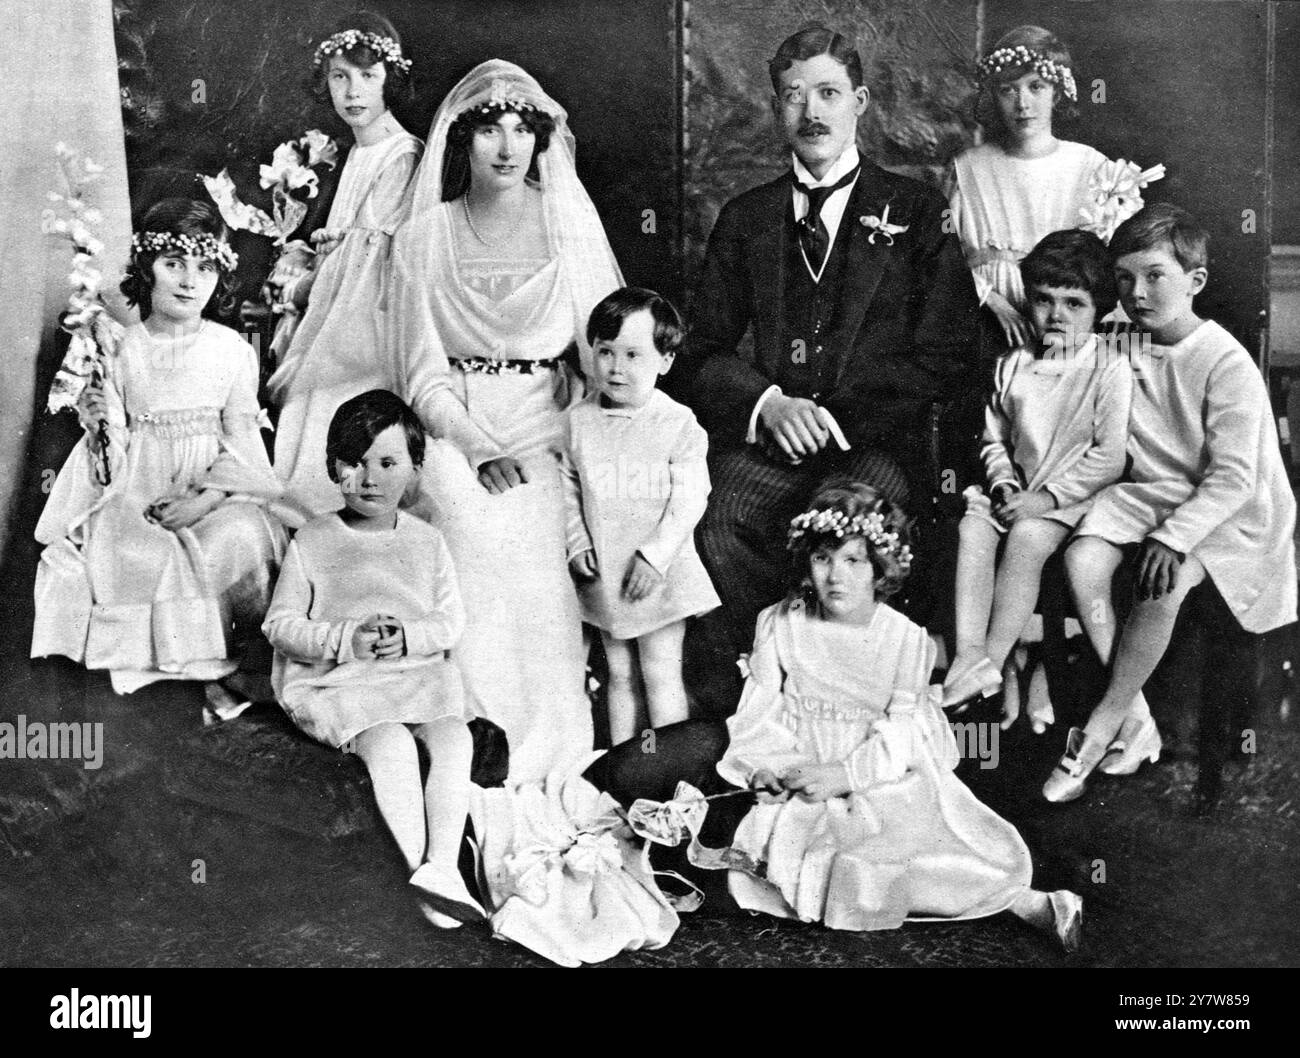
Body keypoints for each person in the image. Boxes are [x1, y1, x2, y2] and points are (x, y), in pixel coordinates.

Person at [680, 24, 980, 696]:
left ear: (861, 101)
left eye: (828, 93)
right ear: (777, 107)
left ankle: (845, 698)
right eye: (793, 96)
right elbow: (699, 352)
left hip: (874, 442)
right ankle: (770, 687)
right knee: (717, 517)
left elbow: (947, 352)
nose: (812, 112)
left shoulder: (914, 209)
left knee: (838, 523)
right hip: (775, 440)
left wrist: (834, 416)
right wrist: (769, 405)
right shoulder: (745, 218)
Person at [714, 482, 1081, 947]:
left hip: (878, 776)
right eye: (822, 559)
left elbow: (902, 734)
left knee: (892, 856)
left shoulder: (904, 639)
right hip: (803, 770)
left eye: (853, 561)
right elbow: (761, 707)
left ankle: (1027, 902)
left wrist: (845, 773)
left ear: (879, 567)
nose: (834, 577)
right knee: (782, 855)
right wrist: (768, 765)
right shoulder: (781, 620)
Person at [390, 60, 622, 782]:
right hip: (455, 424)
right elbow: (420, 373)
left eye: (523, 129)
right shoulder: (426, 235)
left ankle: (548, 756)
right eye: (489, 127)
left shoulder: (568, 228)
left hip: (548, 423)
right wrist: (474, 443)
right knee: (462, 515)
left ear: (541, 139)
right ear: (463, 138)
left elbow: (602, 357)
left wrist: (577, 443)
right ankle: (474, 745)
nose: (506, 145)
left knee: (535, 522)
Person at [1048, 204, 1298, 802]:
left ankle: (1100, 727)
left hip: (1231, 509)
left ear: (1195, 282)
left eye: (1155, 275)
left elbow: (1235, 476)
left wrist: (1173, 537)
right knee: (1083, 558)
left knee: (1164, 579)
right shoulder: (1123, 341)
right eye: (1126, 278)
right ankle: (1135, 719)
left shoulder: (1225, 361)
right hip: (1152, 492)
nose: (1137, 292)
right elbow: (1058, 353)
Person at [31, 198, 286, 703]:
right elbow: (112, 450)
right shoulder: (122, 347)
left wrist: (203, 501)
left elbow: (242, 444)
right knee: (140, 552)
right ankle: (177, 673)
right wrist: (99, 417)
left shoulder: (232, 349)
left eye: (205, 267)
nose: (190, 281)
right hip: (138, 487)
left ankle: (225, 662)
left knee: (244, 533)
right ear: (147, 269)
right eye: (174, 265)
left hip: (213, 487)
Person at [262, 390, 483, 928]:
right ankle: (422, 875)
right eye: (354, 462)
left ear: (413, 469)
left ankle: (441, 868)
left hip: (411, 673)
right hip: (337, 682)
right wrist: (343, 639)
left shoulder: (428, 542)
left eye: (387, 463)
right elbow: (280, 625)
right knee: (391, 742)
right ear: (334, 466)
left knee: (455, 736)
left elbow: (449, 623)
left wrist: (407, 637)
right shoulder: (314, 540)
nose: (370, 477)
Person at [942, 230, 1131, 726]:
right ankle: (968, 654)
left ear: (1100, 312)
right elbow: (993, 440)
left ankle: (994, 660)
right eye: (1044, 301)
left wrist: (1043, 499)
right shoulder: (1013, 364)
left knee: (1026, 538)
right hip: (1017, 492)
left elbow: (1109, 458)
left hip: (1071, 500)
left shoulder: (1109, 369)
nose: (1057, 315)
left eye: (1074, 303)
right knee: (972, 527)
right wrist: (1004, 485)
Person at [267, 10, 422, 521]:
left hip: (361, 334)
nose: (353, 91)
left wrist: (298, 289)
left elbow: (367, 264)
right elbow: (335, 250)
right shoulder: (354, 153)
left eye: (367, 76)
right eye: (340, 77)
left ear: (389, 81)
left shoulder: (401, 155)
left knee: (337, 437)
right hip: (331, 313)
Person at [562, 288, 721, 746]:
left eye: (633, 354)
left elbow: (691, 498)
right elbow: (567, 488)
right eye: (605, 352)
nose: (616, 367)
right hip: (606, 571)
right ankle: (623, 765)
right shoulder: (578, 422)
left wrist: (654, 557)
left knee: (658, 672)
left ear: (665, 360)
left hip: (657, 572)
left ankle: (667, 770)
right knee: (619, 674)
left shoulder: (678, 424)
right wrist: (576, 542)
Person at [947, 25, 1141, 349]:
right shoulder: (967, 168)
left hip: (1070, 332)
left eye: (1036, 86)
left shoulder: (1092, 167)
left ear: (1058, 92)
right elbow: (939, 256)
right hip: (985, 324)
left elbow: (1120, 262)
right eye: (1008, 90)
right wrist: (990, 300)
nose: (1022, 103)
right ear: (993, 96)